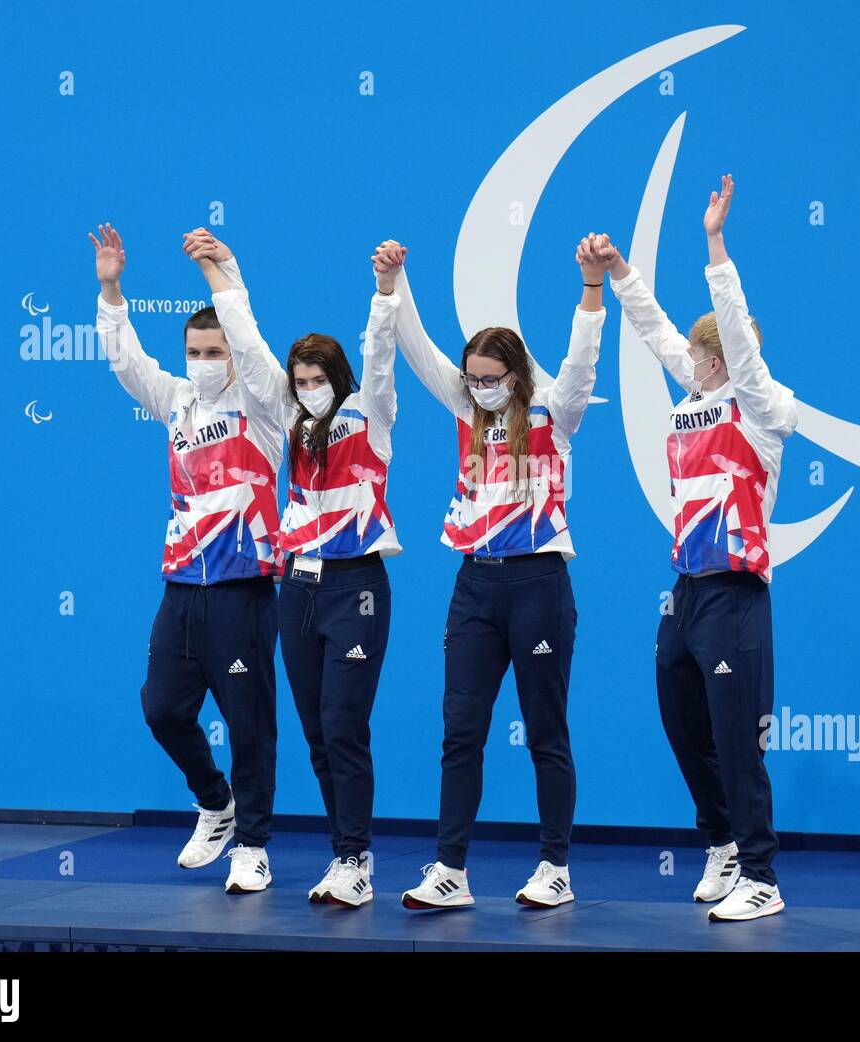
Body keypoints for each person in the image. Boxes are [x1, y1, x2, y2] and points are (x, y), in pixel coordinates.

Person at [374, 236, 608, 910]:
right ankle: (451, 871)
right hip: (473, 585)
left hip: (538, 584)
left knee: (544, 730)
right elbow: (417, 348)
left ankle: (555, 868)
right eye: (472, 376)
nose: (479, 385)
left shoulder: (554, 412)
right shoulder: (463, 407)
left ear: (514, 374)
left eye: (490, 376)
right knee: (461, 730)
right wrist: (395, 284)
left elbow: (582, 360)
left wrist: (592, 288)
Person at [600, 175, 797, 921]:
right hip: (685, 590)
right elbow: (653, 329)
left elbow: (738, 336)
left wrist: (714, 244)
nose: (687, 355)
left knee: (737, 740)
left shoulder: (760, 405)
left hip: (736, 594)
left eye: (698, 349)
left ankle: (762, 877)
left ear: (718, 356)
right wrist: (620, 273)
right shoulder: (694, 398)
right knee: (681, 718)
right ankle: (719, 842)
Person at [184, 228, 400, 909]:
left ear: (339, 381)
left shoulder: (371, 412)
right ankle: (344, 858)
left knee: (343, 724)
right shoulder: (284, 418)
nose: (308, 390)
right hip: (295, 588)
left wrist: (386, 292)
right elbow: (244, 340)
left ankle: (357, 860)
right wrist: (221, 268)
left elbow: (381, 354)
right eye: (300, 381)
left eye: (318, 381)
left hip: (356, 584)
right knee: (315, 733)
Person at [90, 223, 282, 894]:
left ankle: (254, 845)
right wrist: (112, 287)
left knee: (249, 724)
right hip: (181, 589)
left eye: (213, 350)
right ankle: (216, 803)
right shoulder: (175, 402)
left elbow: (249, 337)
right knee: (162, 709)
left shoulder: (263, 405)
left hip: (242, 589)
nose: (203, 360)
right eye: (194, 350)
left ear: (232, 355)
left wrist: (221, 272)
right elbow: (125, 360)